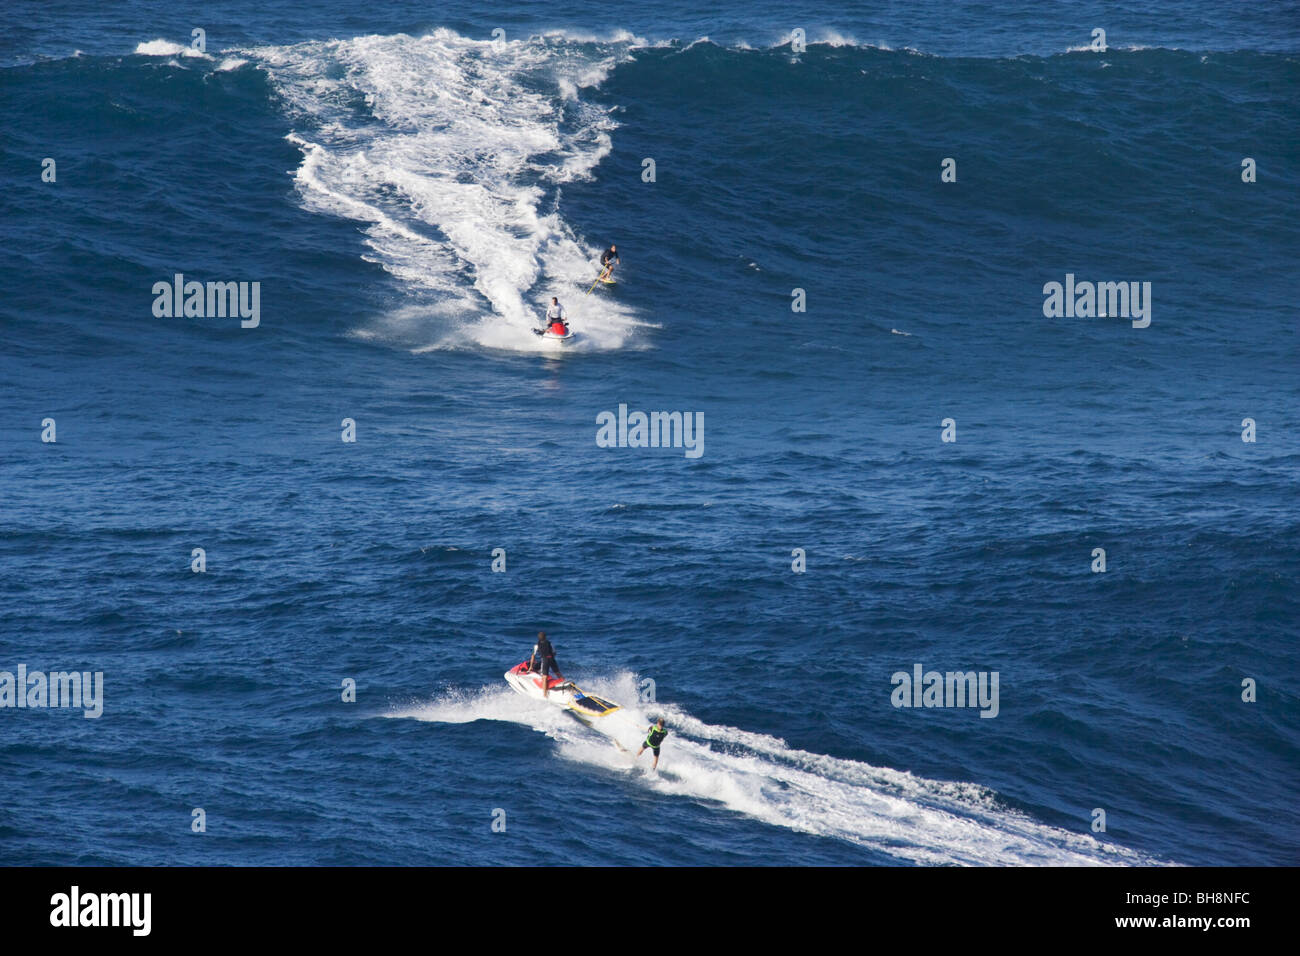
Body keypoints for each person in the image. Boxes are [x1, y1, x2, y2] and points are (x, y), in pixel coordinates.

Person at [528, 631, 564, 696]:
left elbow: (533, 656)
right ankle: (565, 684)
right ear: (545, 637)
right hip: (552, 659)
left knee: (544, 677)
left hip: (545, 660)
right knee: (558, 673)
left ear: (538, 638)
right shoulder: (550, 643)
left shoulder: (536, 645)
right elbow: (554, 653)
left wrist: (530, 666)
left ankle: (544, 694)